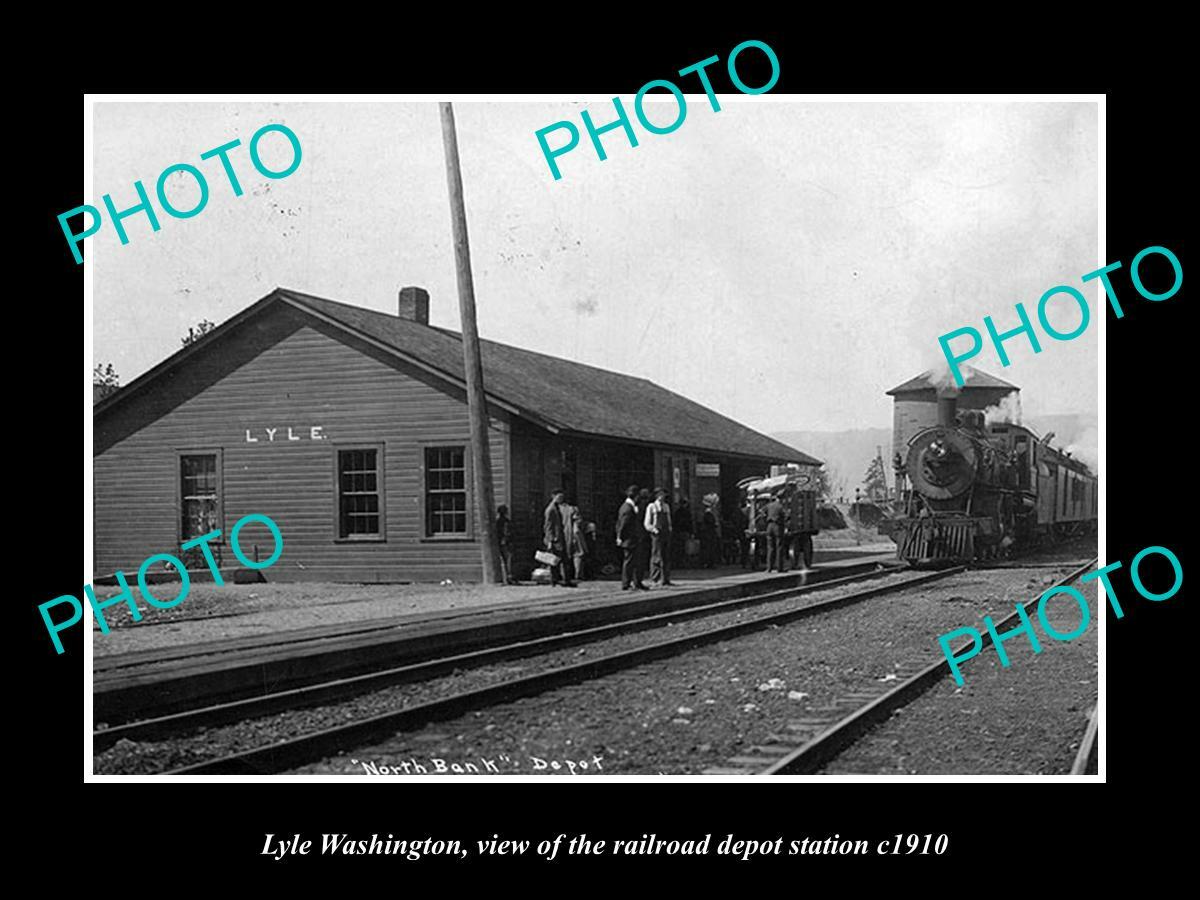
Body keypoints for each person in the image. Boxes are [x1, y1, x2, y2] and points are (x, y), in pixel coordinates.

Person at [616, 485, 648, 590]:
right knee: (629, 562)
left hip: (634, 539)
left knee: (637, 561)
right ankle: (626, 583)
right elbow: (623, 524)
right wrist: (620, 537)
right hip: (630, 540)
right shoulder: (627, 508)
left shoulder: (631, 506)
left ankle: (637, 582)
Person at [543, 489, 575, 587]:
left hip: (560, 537)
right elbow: (548, 525)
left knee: (559, 560)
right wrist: (550, 540)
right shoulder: (551, 509)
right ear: (554, 496)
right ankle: (560, 580)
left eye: (562, 497)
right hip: (556, 539)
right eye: (559, 497)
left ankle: (559, 580)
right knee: (559, 560)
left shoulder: (558, 508)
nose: (561, 499)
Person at [644, 487, 673, 586]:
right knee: (656, 555)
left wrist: (669, 528)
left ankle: (665, 578)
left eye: (663, 494)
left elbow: (668, 519)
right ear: (656, 495)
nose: (662, 496)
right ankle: (655, 578)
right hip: (656, 534)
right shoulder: (651, 507)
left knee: (666, 556)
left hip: (666, 533)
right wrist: (653, 529)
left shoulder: (666, 506)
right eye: (659, 494)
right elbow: (647, 522)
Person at [765, 492, 787, 573]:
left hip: (769, 527)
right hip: (777, 527)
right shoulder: (780, 506)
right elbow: (786, 515)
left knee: (770, 548)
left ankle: (769, 568)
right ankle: (779, 568)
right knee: (779, 547)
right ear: (781, 498)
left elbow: (762, 513)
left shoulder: (769, 505)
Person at [496, 504, 515, 585]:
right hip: (505, 543)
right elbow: (507, 532)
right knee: (508, 560)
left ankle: (505, 578)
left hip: (500, 542)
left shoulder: (497, 521)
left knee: (504, 561)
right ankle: (508, 578)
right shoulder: (505, 521)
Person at [672, 498, 693, 569]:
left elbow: (674, 522)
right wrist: (691, 532)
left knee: (680, 548)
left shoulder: (677, 512)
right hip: (684, 531)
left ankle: (679, 562)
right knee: (685, 548)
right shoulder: (686, 512)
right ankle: (684, 563)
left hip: (678, 531)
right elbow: (690, 523)